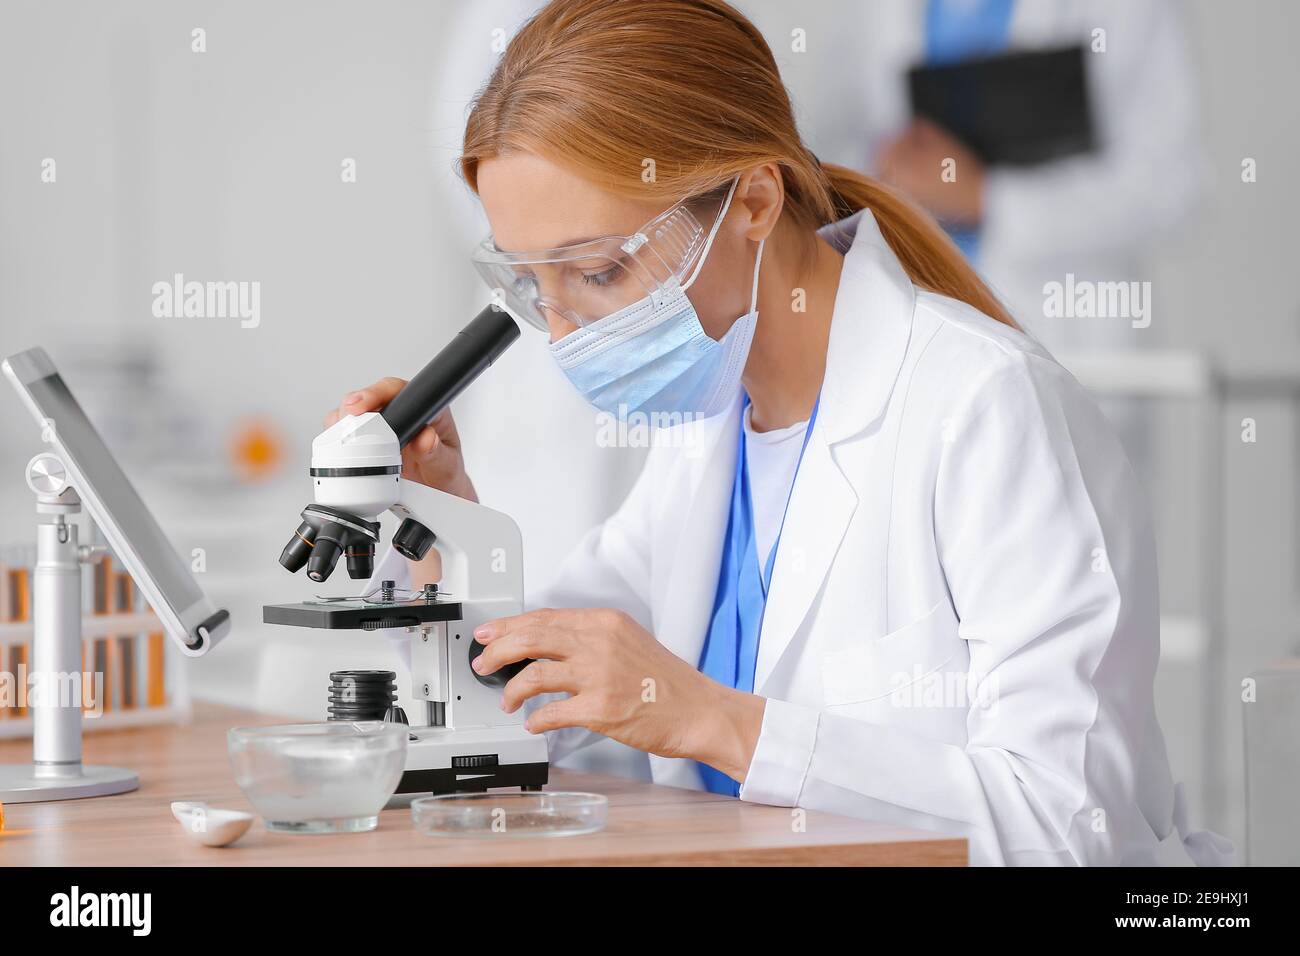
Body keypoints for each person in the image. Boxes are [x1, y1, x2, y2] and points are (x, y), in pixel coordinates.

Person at [329, 0, 1229, 865]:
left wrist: (714, 720)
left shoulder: (984, 409)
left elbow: (1071, 828)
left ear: (754, 201)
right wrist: (446, 529)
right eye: (537, 289)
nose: (567, 337)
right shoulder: (706, 428)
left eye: (598, 271)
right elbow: (552, 717)